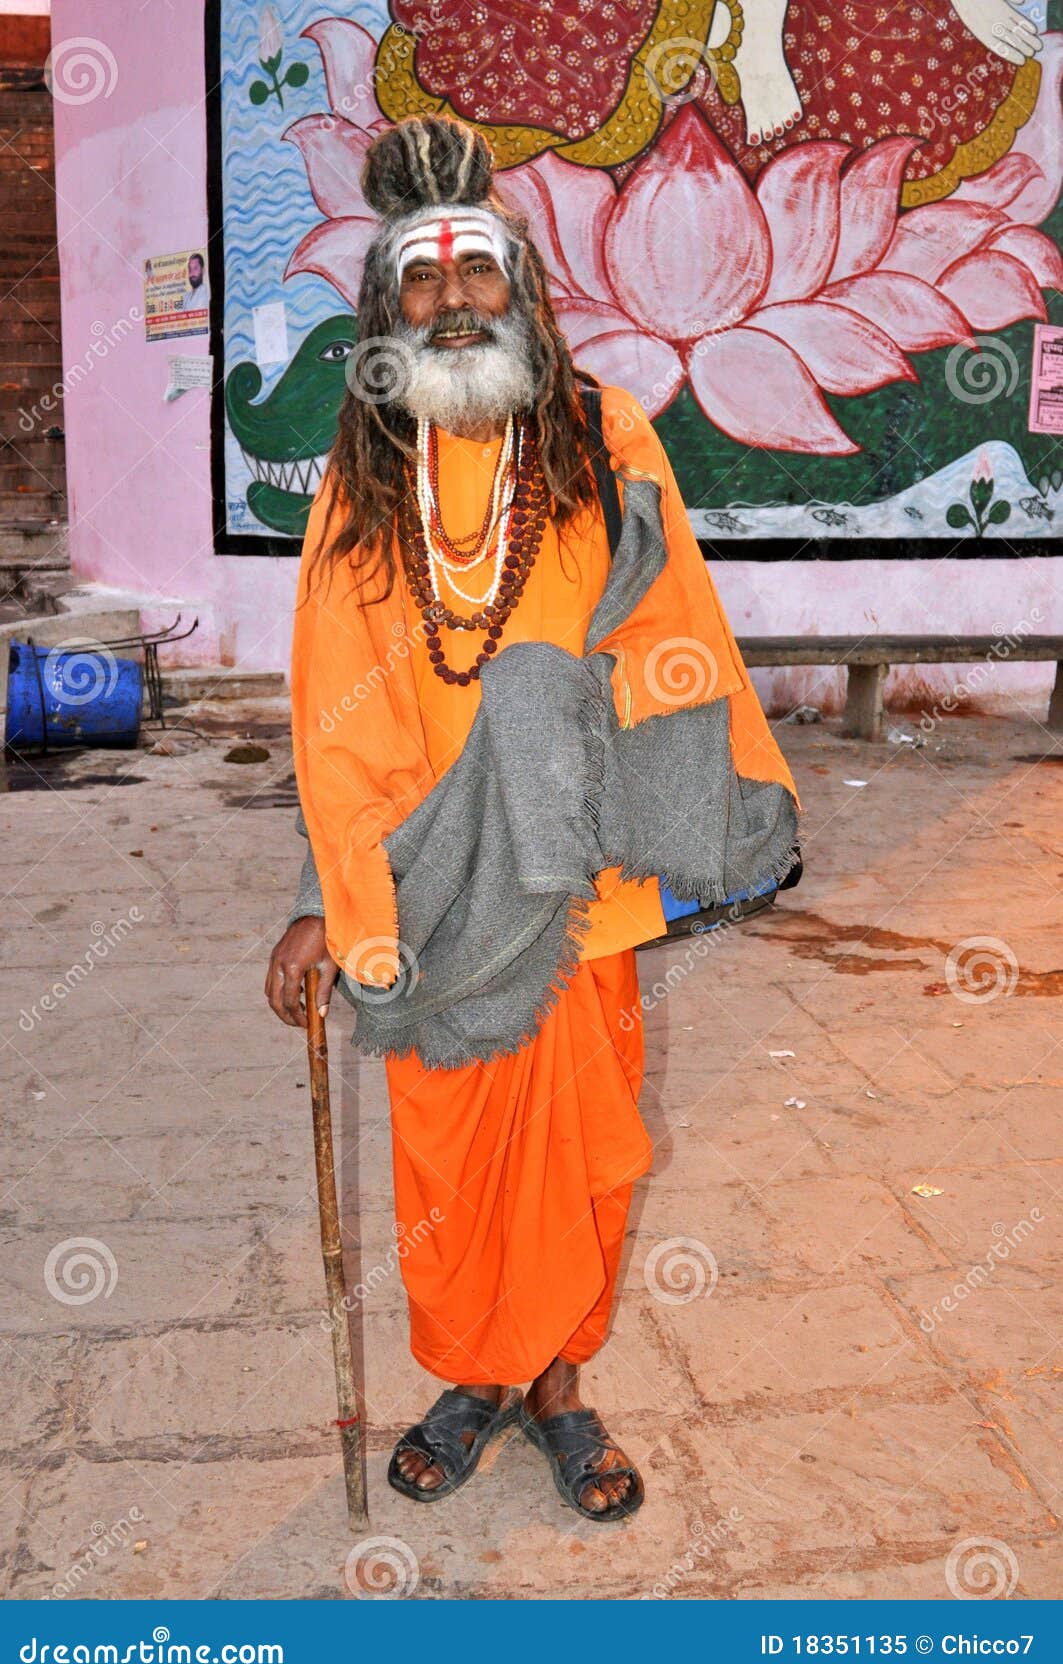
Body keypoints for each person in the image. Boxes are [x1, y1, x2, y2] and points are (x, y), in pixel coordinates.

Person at [266, 114, 798, 1521]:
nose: (455, 300)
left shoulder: (599, 433)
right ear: (390, 304)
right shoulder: (362, 473)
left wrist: (687, 813)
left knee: (580, 1145)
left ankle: (560, 1386)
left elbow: (669, 623)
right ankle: (474, 1374)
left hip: (575, 882)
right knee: (447, 1147)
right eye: (424, 280)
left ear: (522, 286)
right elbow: (337, 700)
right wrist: (343, 894)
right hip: (432, 884)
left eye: (477, 272)